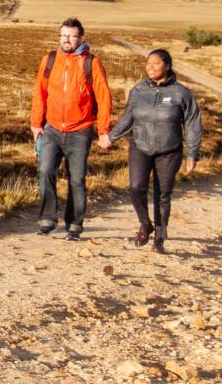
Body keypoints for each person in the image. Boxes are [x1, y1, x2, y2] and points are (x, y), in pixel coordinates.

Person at [102, 49, 201, 253]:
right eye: (148, 63)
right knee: (136, 187)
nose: (151, 67)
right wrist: (111, 137)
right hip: (140, 146)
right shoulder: (138, 90)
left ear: (167, 66)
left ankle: (160, 239)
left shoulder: (181, 93)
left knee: (162, 194)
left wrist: (193, 153)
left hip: (169, 151)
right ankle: (145, 224)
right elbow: (128, 117)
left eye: (156, 63)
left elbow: (192, 123)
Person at [30, 17, 112, 240]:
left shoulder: (91, 62)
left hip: (80, 130)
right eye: (63, 35)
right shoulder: (50, 59)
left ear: (81, 38)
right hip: (52, 128)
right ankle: (47, 220)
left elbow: (104, 97)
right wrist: (36, 123)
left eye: (72, 36)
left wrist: (103, 130)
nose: (66, 39)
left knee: (77, 179)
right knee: (45, 171)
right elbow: (40, 92)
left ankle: (74, 225)